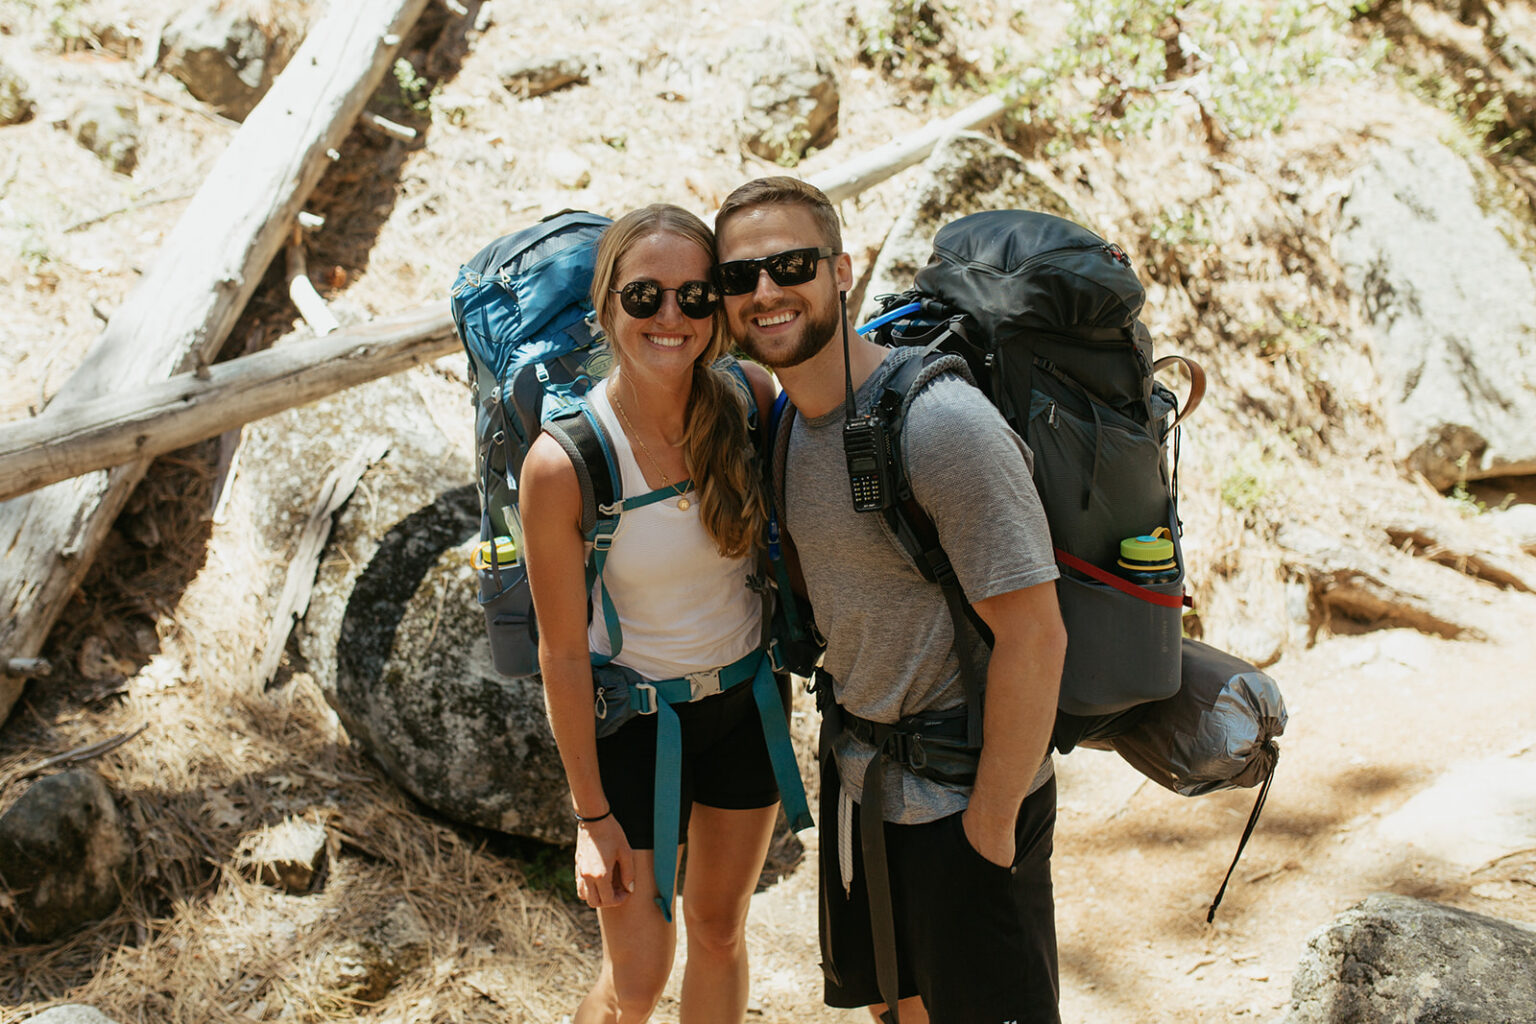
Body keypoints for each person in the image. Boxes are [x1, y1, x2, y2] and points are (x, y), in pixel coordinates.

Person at [714, 177, 1069, 1024]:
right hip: (863, 782)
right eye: (740, 277)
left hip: (963, 795)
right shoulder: (788, 427)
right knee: (895, 1013)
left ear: (842, 271)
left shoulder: (941, 424)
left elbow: (1036, 637)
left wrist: (989, 829)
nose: (765, 292)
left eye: (790, 265)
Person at [520, 203, 808, 1024]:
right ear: (608, 306)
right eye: (645, 297)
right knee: (639, 980)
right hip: (637, 728)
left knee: (719, 933)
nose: (671, 317)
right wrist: (589, 817)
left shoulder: (750, 399)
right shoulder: (566, 462)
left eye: (694, 295)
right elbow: (562, 654)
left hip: (746, 703)